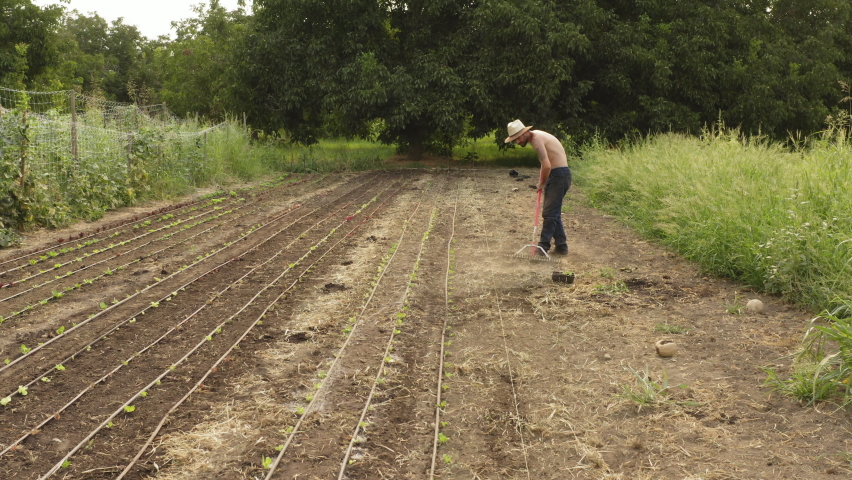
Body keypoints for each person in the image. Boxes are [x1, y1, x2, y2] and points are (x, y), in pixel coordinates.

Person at [504, 119, 571, 255]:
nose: (517, 142)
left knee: (549, 213)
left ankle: (542, 248)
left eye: (517, 138)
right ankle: (561, 246)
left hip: (560, 175)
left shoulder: (536, 139)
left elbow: (547, 165)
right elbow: (545, 163)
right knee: (553, 212)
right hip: (558, 174)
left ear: (525, 132)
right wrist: (543, 178)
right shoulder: (537, 136)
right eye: (514, 140)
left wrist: (542, 183)